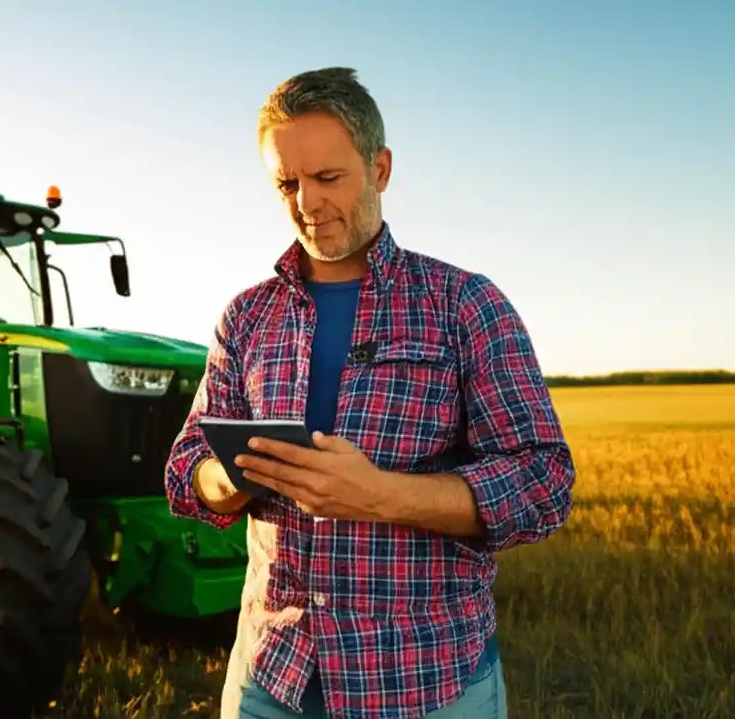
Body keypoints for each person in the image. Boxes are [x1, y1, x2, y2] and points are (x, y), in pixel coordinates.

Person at [164, 67, 576, 719]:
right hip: (271, 676)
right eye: (286, 183)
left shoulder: (465, 304)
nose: (306, 203)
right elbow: (187, 471)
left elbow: (543, 483)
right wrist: (235, 476)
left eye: (327, 178)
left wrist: (380, 495)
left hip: (427, 682)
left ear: (380, 168)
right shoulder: (245, 317)